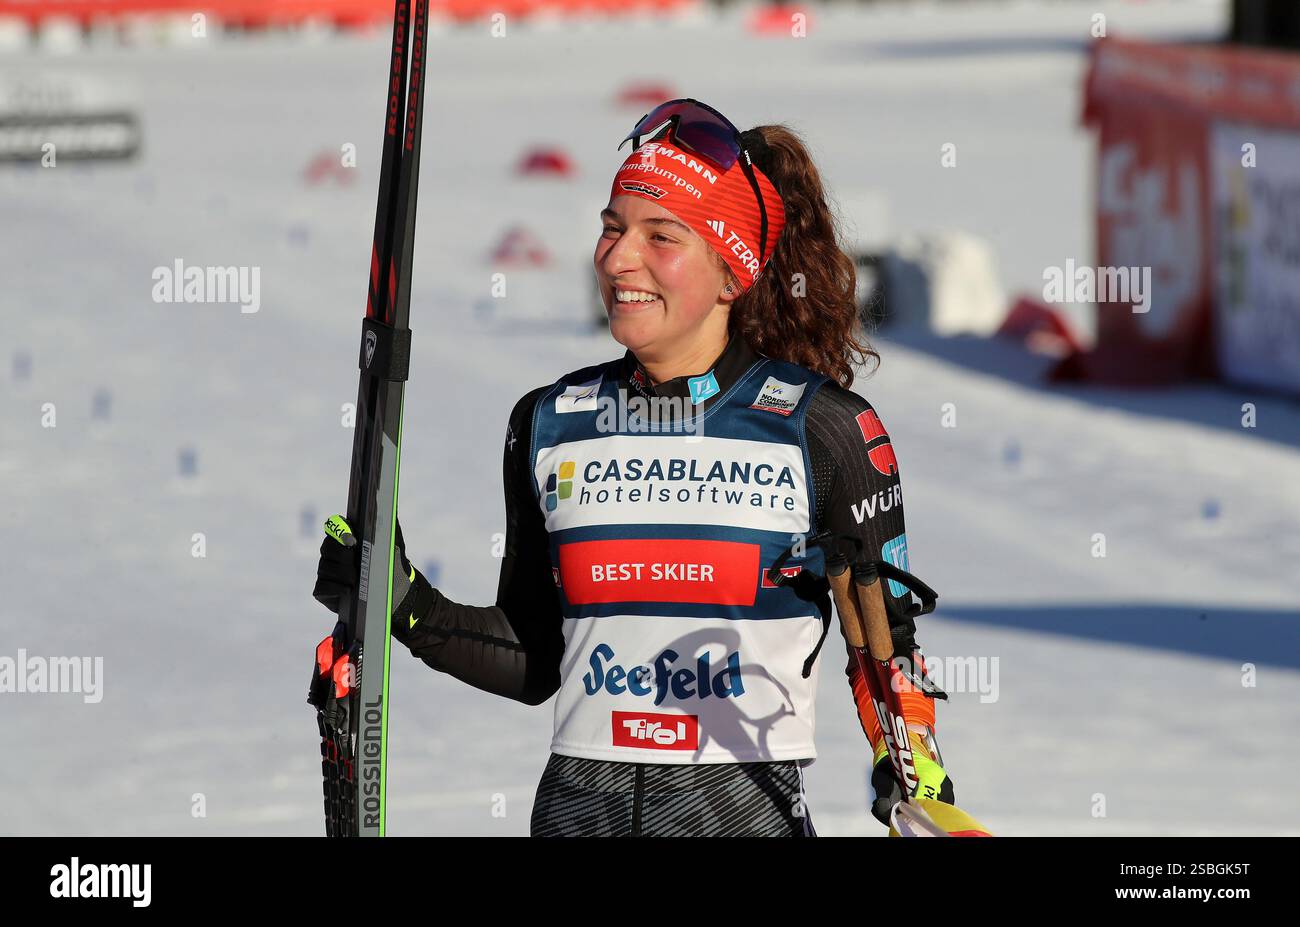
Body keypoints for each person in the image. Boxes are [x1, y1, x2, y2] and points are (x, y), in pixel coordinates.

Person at [314, 99, 955, 837]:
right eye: (612, 228)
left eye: (661, 236)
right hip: (573, 815)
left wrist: (914, 768)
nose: (619, 258)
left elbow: (889, 649)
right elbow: (535, 658)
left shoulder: (824, 430)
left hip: (743, 818)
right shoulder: (550, 421)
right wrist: (403, 604)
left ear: (730, 270)